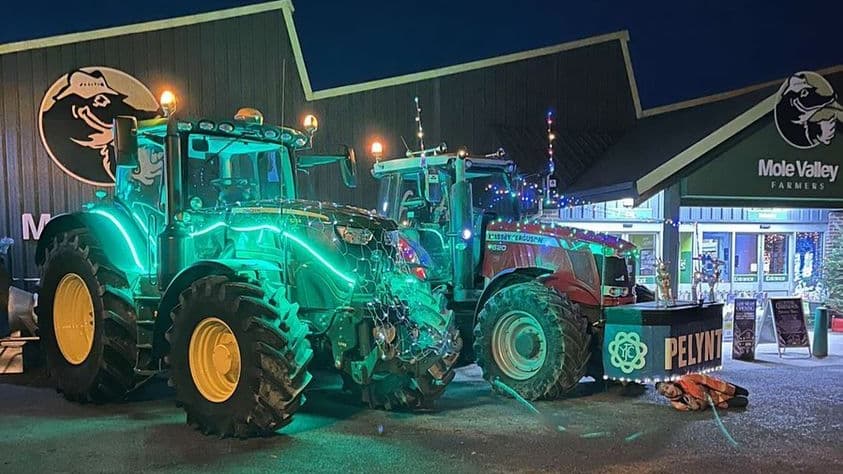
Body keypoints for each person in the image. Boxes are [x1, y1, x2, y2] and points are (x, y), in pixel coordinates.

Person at [656, 374, 749, 411]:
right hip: (716, 401)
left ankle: (731, 389)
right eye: (664, 393)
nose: (668, 392)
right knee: (744, 402)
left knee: (745, 392)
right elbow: (701, 405)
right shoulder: (677, 403)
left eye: (667, 387)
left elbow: (708, 380)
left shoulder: (686, 379)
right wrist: (697, 407)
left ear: (671, 383)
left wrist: (728, 389)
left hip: (717, 387)